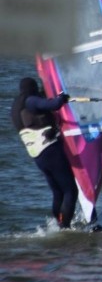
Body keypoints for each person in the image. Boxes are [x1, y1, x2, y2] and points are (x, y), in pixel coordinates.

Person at [11, 77, 78, 229]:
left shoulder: (17, 105)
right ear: (32, 88)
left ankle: (59, 224)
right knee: (70, 190)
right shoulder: (31, 101)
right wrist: (61, 98)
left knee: (58, 192)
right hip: (50, 150)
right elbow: (53, 105)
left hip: (38, 155)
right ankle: (66, 228)